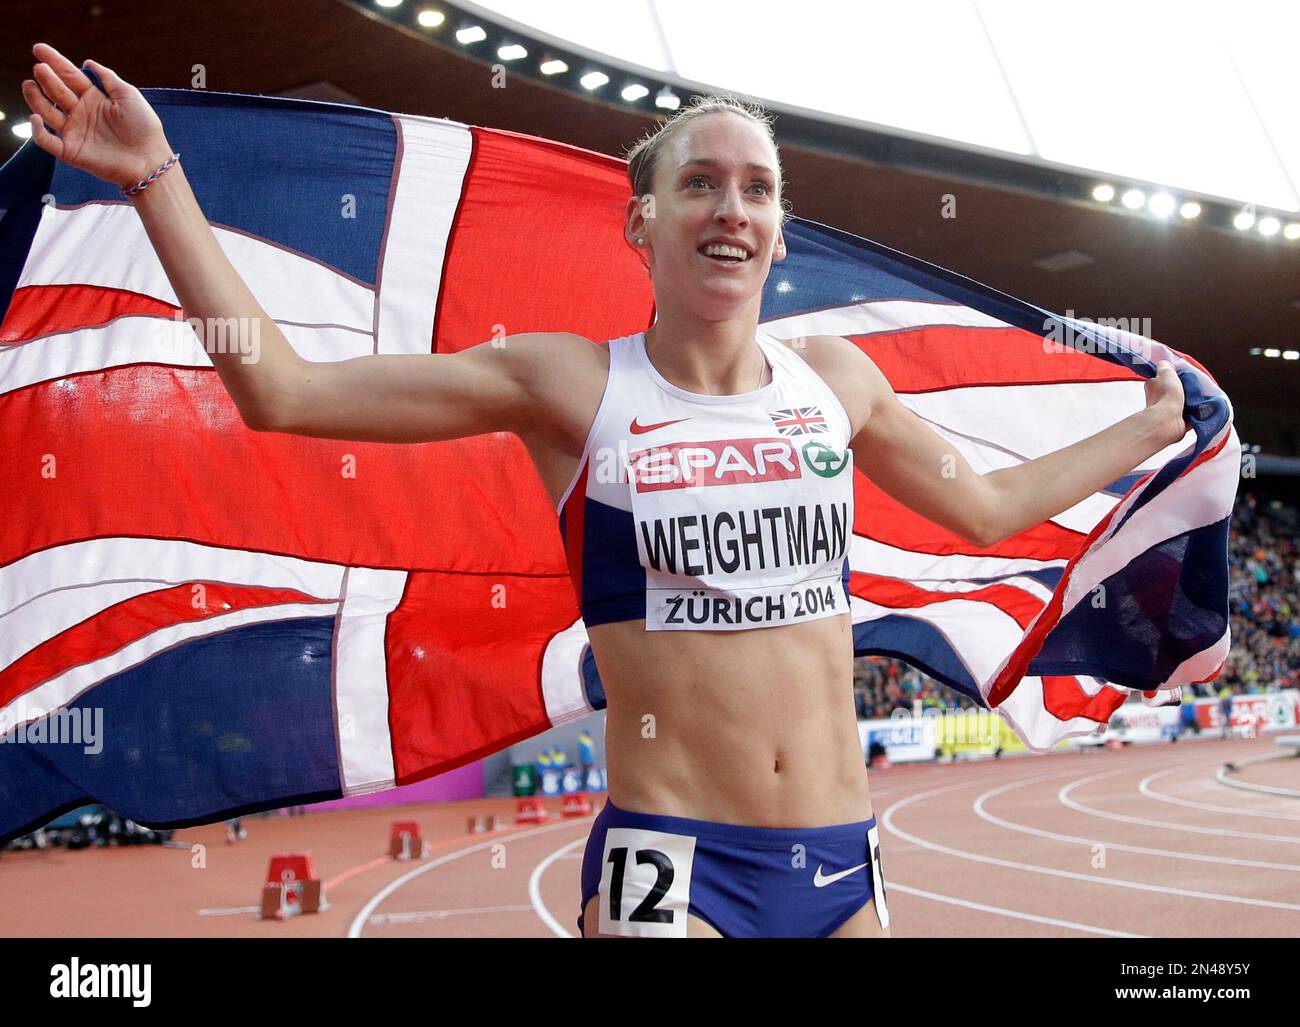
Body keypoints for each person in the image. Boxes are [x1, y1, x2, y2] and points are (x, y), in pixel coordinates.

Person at [20, 43, 1189, 938]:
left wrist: (1145, 428)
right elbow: (284, 391)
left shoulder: (841, 380)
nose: (730, 208)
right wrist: (157, 180)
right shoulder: (569, 385)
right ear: (642, 223)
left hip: (838, 854)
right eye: (700, 185)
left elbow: (989, 510)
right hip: (669, 863)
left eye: (757, 190)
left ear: (780, 234)